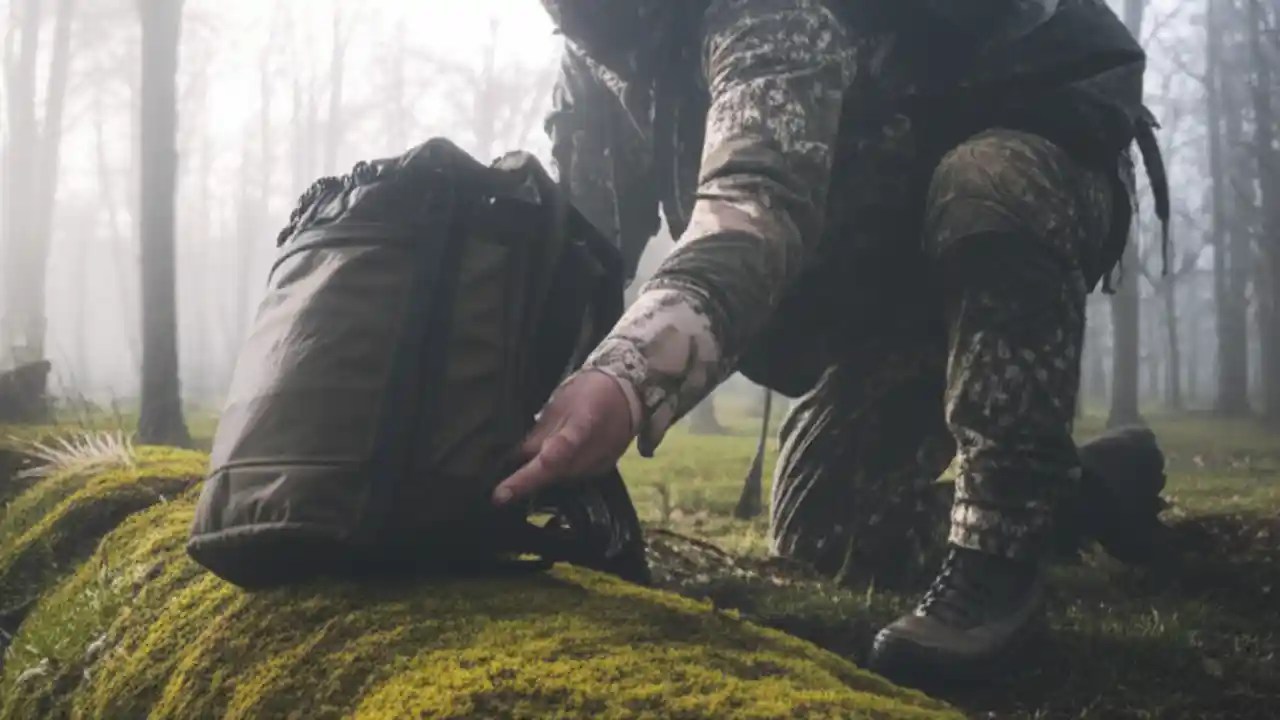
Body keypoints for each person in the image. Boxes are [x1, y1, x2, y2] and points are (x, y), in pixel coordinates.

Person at [493, 0, 1166, 685]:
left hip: (1031, 170)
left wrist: (628, 376)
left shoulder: (766, 12)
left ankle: (1000, 543)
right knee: (825, 532)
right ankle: (1086, 495)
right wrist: (505, 418)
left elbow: (757, 208)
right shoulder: (594, 52)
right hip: (896, 283)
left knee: (988, 181)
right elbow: (587, 246)